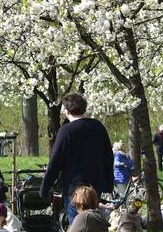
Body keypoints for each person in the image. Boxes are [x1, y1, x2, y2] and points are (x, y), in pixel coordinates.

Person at [40, 92, 114, 224]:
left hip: (74, 188)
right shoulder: (98, 127)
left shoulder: (66, 131)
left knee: (77, 226)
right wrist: (108, 184)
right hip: (94, 187)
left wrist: (45, 188)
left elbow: (55, 162)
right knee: (92, 224)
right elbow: (108, 156)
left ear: (67, 111)